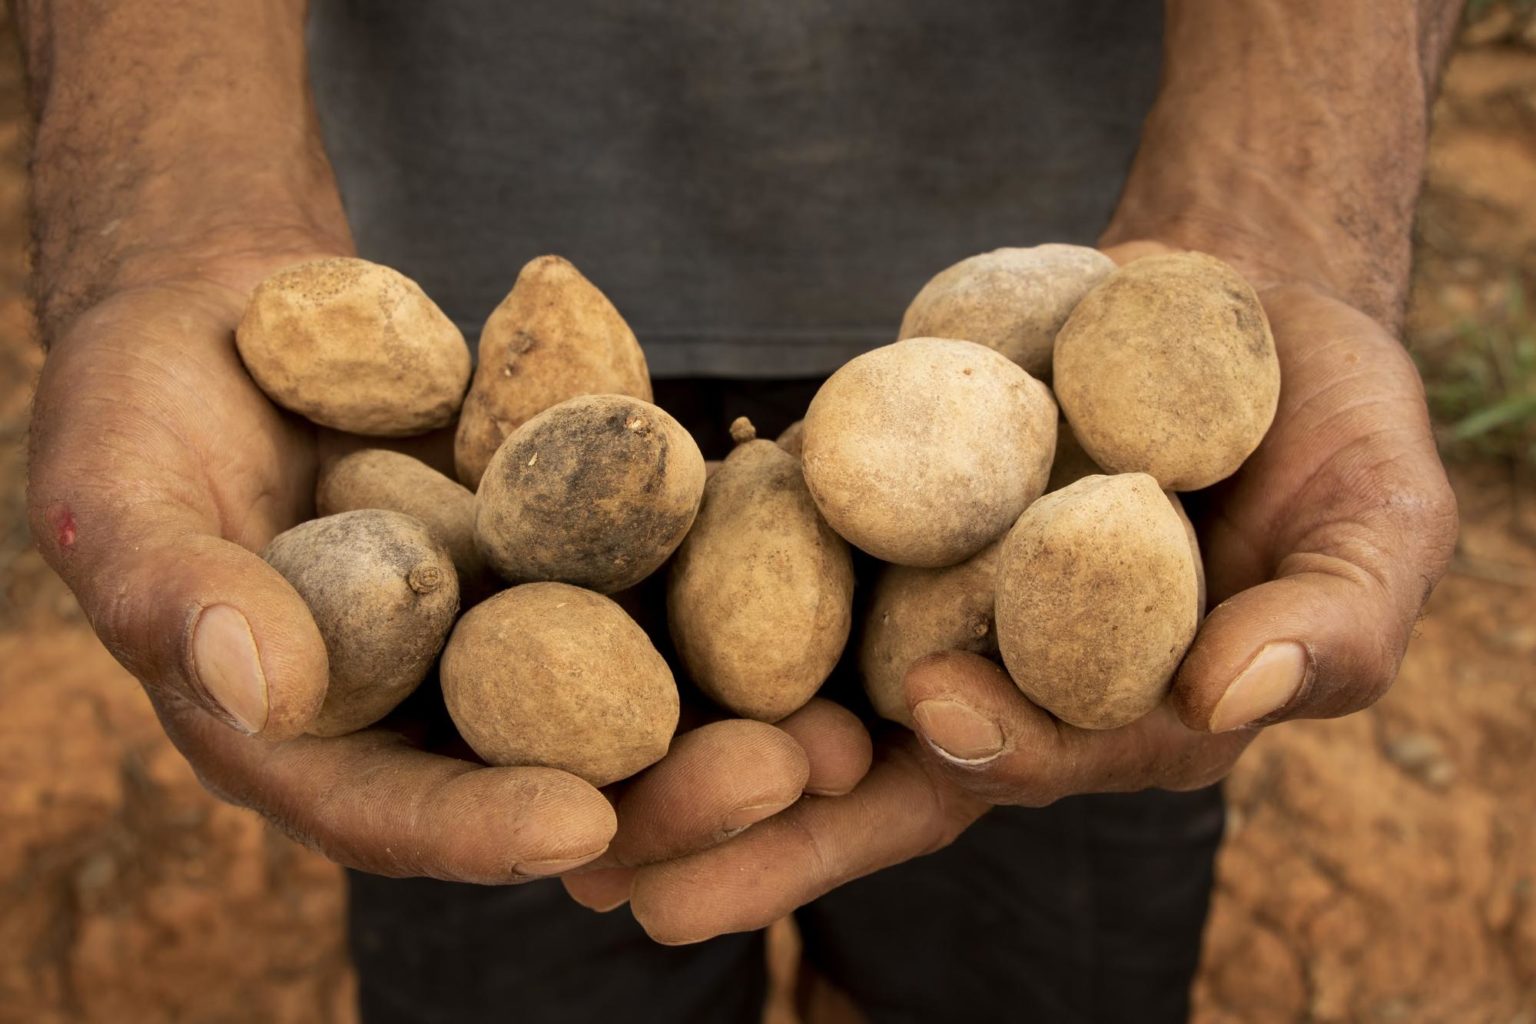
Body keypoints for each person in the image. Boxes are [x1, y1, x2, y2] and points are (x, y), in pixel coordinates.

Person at [19, 1, 1462, 1021]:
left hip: (1072, 346)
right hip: (458, 380)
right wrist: (181, 211)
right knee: (522, 911)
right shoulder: (439, 493)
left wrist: (1278, 210)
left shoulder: (1098, 462)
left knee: (1021, 942)